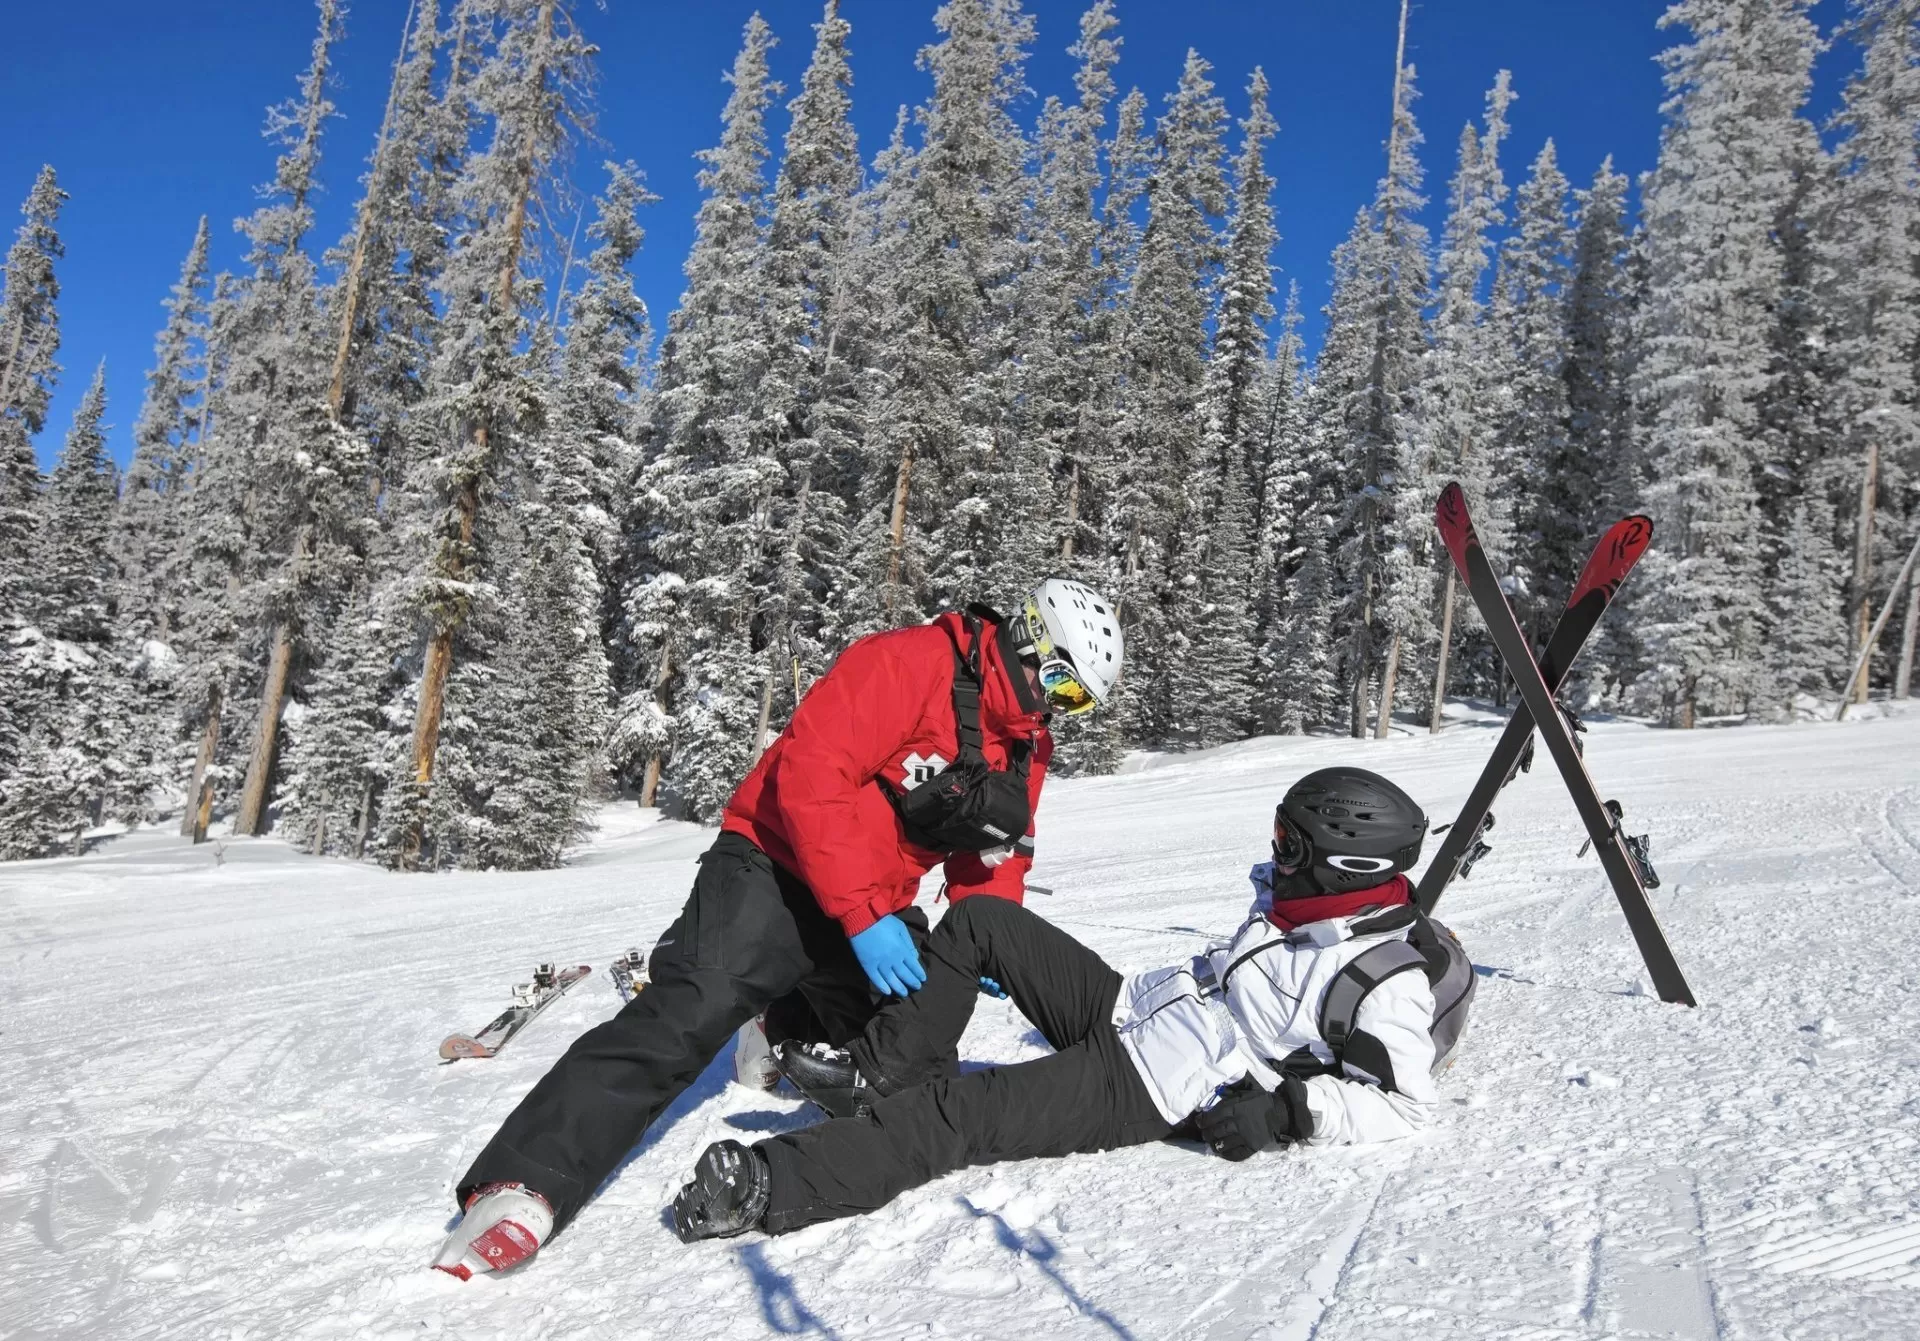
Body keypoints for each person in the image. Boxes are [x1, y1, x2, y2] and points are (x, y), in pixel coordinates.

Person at [432, 578, 1126, 1279]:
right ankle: (524, 1180)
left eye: (1079, 704)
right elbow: (808, 774)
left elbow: (995, 850)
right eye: (1063, 687)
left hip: (875, 907)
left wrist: (990, 926)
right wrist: (861, 915)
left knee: (914, 1076)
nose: (1059, 710)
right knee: (690, 1010)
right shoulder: (911, 663)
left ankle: (781, 1022)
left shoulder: (1025, 748)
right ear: (1033, 640)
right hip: (774, 863)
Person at [668, 767, 1473, 1242]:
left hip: (1152, 1085)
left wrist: (1287, 1113)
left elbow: (1405, 1106)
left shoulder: (1382, 978)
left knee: (959, 1113)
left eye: (1289, 845)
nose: (1274, 854)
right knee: (985, 920)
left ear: (1345, 863)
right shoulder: (1308, 907)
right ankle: (880, 1072)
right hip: (1133, 1009)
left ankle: (771, 1185)